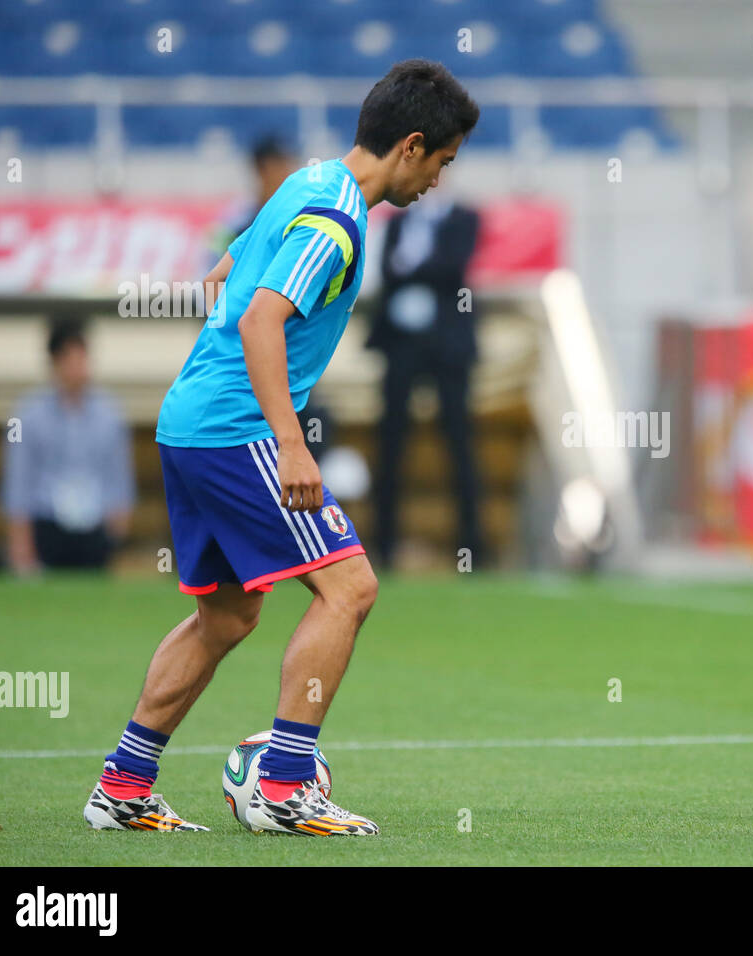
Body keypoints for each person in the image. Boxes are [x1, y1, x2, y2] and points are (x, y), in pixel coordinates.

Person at [82, 60, 478, 835]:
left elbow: (220, 278)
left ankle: (123, 787)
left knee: (226, 618)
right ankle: (286, 785)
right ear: (412, 145)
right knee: (351, 588)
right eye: (442, 161)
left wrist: (222, 374)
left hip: (190, 424)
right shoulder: (335, 223)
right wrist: (290, 447)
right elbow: (261, 318)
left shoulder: (306, 183)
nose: (439, 180)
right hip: (238, 433)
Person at [366, 189, 484, 570]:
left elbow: (452, 268)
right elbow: (385, 272)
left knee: (459, 442)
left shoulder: (463, 218)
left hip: (447, 347)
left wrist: (411, 266)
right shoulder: (398, 223)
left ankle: (471, 547)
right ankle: (383, 547)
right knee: (391, 443)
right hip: (401, 343)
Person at [1, 316, 134, 574]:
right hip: (48, 527)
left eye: (82, 358)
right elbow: (19, 485)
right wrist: (20, 548)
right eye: (70, 359)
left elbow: (119, 478)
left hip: (95, 530)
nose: (79, 367)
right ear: (55, 362)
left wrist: (118, 539)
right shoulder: (26, 415)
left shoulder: (110, 413)